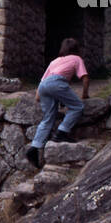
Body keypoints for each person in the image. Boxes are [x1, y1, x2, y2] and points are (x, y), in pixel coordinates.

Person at [26, 37, 89, 168]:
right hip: (57, 83)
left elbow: (42, 83)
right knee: (77, 107)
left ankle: (34, 147)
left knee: (48, 117)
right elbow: (85, 78)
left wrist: (39, 97)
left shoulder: (54, 61)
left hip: (44, 86)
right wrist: (84, 94)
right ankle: (62, 132)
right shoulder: (77, 59)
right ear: (76, 49)